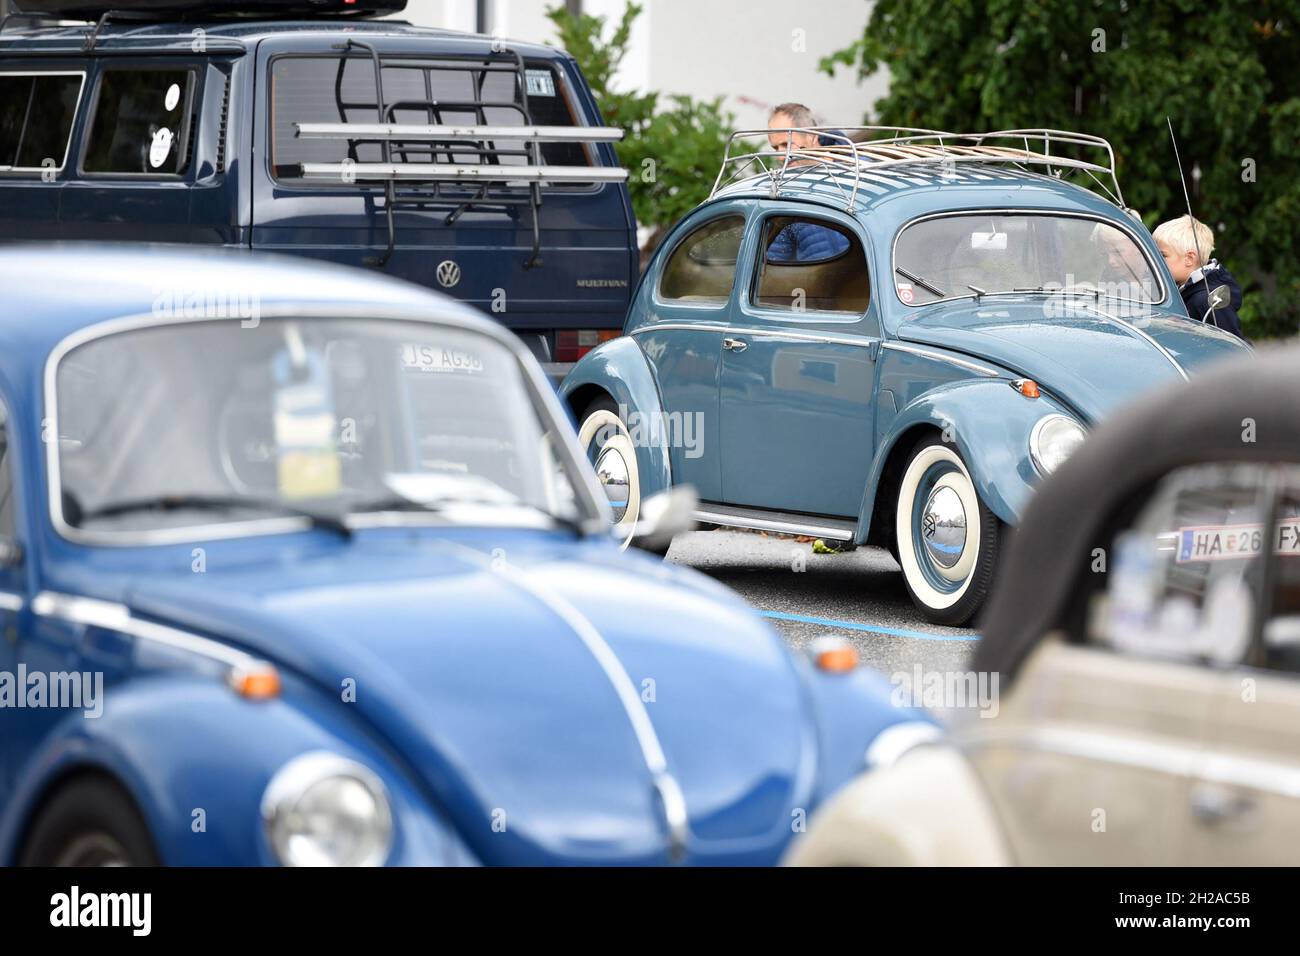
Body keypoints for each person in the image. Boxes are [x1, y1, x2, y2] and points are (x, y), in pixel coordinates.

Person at [764, 102, 850, 263]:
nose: (780, 156)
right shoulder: (784, 194)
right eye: (775, 148)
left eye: (787, 144)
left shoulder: (859, 172)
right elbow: (774, 266)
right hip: (814, 286)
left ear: (812, 136)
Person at [1152, 215, 1244, 338]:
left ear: (1189, 258)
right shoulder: (1184, 288)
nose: (1156, 260)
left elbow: (1232, 348)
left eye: (1163, 255)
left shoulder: (1206, 301)